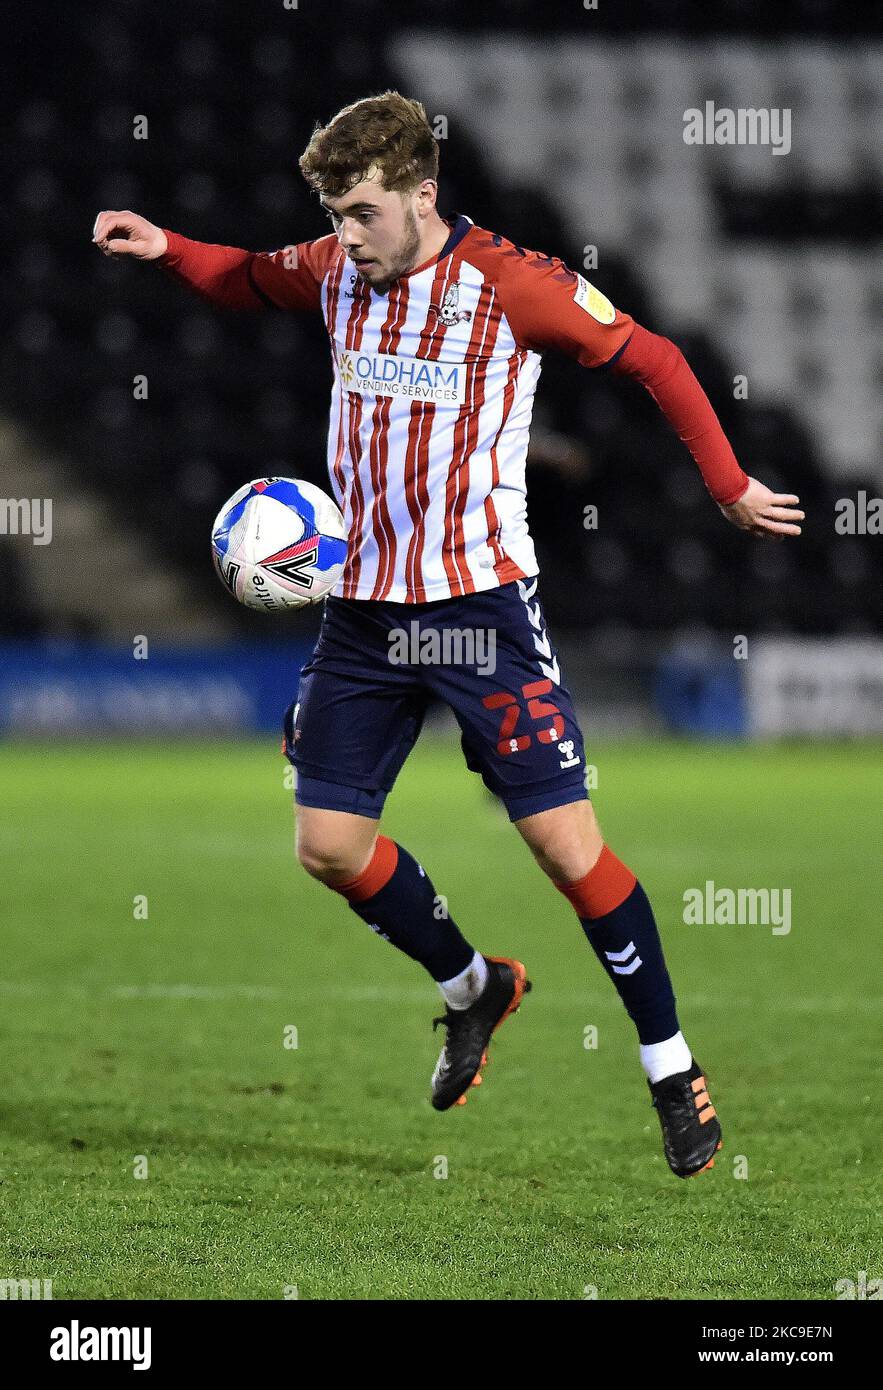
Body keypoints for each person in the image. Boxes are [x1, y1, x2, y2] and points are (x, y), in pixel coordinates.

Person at [93, 91, 803, 1178]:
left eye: (364, 213)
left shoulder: (510, 285)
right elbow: (246, 278)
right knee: (325, 846)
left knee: (567, 850)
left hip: (480, 611)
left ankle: (670, 1066)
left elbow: (652, 357)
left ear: (424, 194)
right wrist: (166, 247)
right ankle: (475, 985)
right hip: (368, 612)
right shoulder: (339, 269)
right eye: (333, 215)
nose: (345, 236)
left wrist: (728, 483)